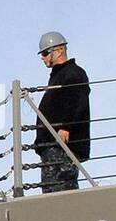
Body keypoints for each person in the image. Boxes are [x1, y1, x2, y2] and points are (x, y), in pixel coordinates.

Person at [34, 31, 91, 193]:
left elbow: (77, 100)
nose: (42, 57)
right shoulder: (58, 77)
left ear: (58, 51)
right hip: (51, 146)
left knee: (63, 190)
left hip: (62, 144)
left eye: (45, 53)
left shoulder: (73, 73)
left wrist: (66, 127)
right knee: (51, 193)